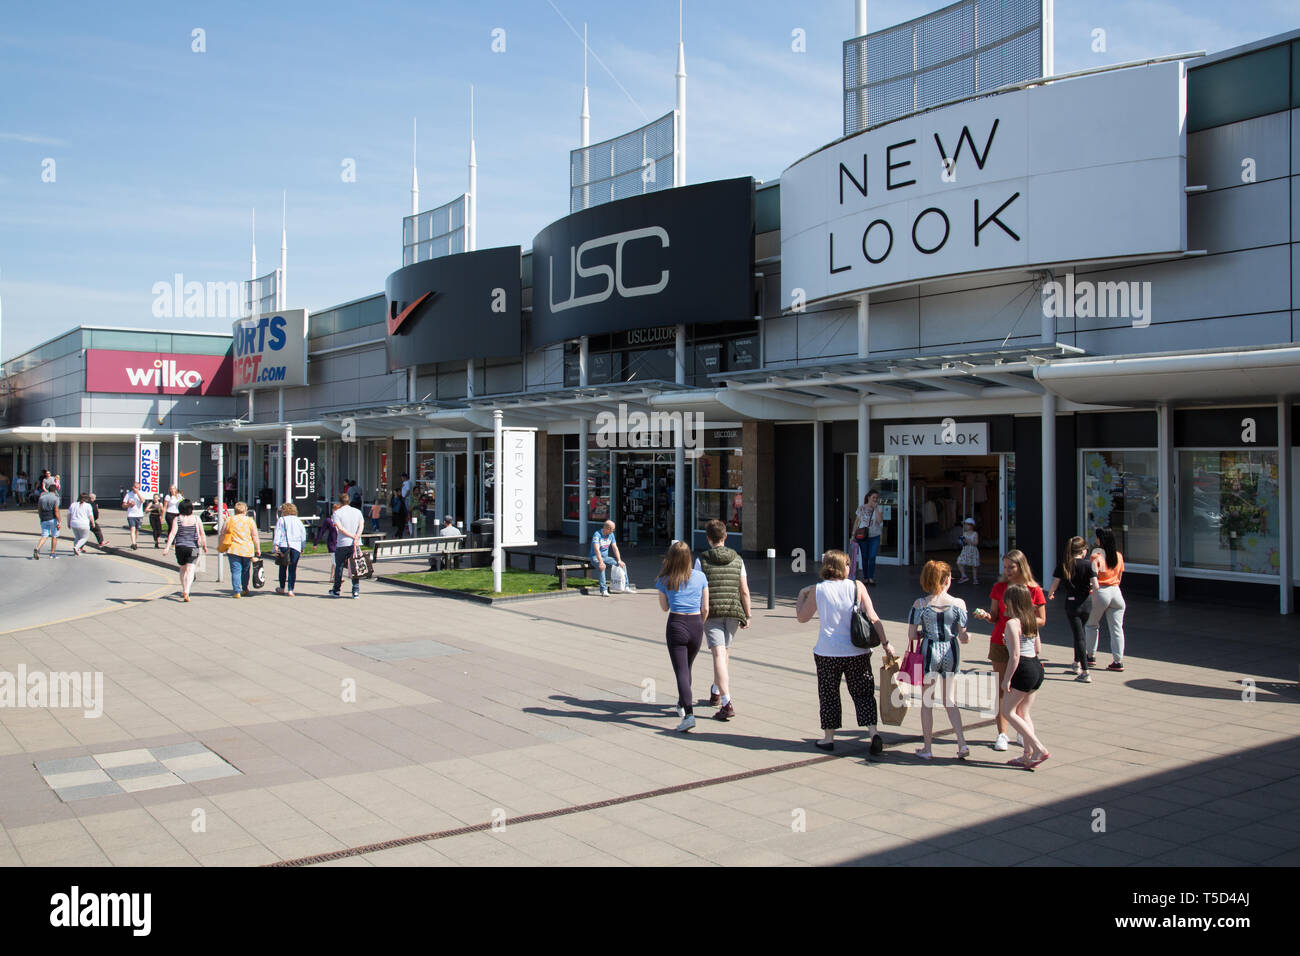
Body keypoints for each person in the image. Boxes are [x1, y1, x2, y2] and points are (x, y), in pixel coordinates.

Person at [795, 549, 896, 753]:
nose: (850, 567)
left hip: (827, 652)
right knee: (864, 693)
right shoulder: (856, 586)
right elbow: (874, 617)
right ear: (842, 567)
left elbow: (802, 617)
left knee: (829, 694)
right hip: (857, 651)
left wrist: (801, 594)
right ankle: (873, 732)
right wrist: (886, 643)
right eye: (848, 564)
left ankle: (829, 738)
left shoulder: (819, 590)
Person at [972, 549, 1045, 751]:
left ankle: (1022, 731)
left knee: (1022, 692)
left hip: (1023, 644)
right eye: (1004, 567)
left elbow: (1042, 619)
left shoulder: (1033, 589)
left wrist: (1020, 622)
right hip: (1000, 641)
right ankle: (1002, 734)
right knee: (1002, 689)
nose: (1007, 571)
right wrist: (986, 616)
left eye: (1011, 567)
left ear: (1021, 566)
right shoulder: (999, 587)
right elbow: (995, 616)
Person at [908, 560, 971, 759]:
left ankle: (927, 748)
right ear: (946, 580)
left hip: (929, 650)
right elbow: (963, 636)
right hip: (951, 650)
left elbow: (911, 634)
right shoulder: (958, 604)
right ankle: (961, 743)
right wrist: (964, 637)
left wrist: (925, 633)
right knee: (949, 699)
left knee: (927, 701)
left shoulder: (920, 604)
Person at [693, 518, 750, 721]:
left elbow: (698, 588)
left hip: (712, 611)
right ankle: (716, 690)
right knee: (724, 652)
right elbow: (744, 590)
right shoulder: (738, 559)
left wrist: (698, 613)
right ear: (725, 537)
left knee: (718, 654)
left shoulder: (702, 559)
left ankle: (726, 702)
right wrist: (748, 614)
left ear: (709, 539)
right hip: (733, 611)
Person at [655, 540, 709, 733]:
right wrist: (700, 623)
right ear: (689, 558)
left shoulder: (664, 579)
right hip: (696, 624)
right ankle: (681, 703)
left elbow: (664, 607)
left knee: (681, 671)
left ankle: (688, 714)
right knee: (687, 667)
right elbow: (706, 608)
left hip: (676, 624)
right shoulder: (701, 577)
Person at [1000, 584, 1050, 769]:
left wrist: (1007, 679)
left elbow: (1014, 655)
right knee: (1024, 712)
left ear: (1012, 602)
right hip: (1036, 667)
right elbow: (1038, 648)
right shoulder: (1031, 620)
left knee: (1008, 711)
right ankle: (1027, 754)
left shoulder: (1012, 623)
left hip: (1023, 668)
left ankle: (1038, 748)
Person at [1049, 536, 1098, 682]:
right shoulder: (1089, 565)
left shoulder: (1064, 565)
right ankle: (1077, 663)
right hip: (1087, 603)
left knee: (1079, 635)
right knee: (1080, 633)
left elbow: (1055, 583)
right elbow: (1096, 586)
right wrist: (1088, 589)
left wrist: (1051, 593)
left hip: (1071, 604)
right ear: (1083, 551)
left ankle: (1085, 670)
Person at [1086, 528, 1127, 672]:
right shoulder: (1118, 556)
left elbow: (1092, 578)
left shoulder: (1096, 556)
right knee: (1116, 628)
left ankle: (1090, 656)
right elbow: (1120, 578)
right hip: (1116, 592)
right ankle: (1118, 661)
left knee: (1092, 625)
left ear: (1099, 540)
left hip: (1101, 591)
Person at [165, 499, 207, 601]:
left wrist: (167, 547)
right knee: (191, 569)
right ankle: (187, 591)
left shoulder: (177, 519)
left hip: (180, 547)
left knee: (183, 568)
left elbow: (172, 533)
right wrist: (204, 545)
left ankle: (184, 588)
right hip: (194, 548)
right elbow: (202, 533)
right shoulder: (196, 519)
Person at [330, 491, 365, 599]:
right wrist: (356, 537)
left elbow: (340, 528)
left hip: (342, 543)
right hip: (356, 543)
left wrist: (351, 536)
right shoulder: (357, 512)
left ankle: (336, 590)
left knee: (339, 567)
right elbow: (361, 525)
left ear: (340, 501)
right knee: (355, 566)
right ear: (349, 501)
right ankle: (355, 591)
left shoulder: (337, 513)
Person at [222, 501, 260, 598]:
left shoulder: (229, 520)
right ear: (245, 510)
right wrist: (258, 549)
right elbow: (255, 536)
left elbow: (223, 533)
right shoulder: (250, 520)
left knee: (235, 570)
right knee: (246, 570)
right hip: (247, 549)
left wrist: (222, 545)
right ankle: (245, 588)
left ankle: (236, 591)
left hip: (233, 548)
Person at [272, 502, 308, 596]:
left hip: (284, 545)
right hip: (296, 546)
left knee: (283, 567)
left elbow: (278, 533)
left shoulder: (282, 520)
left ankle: (282, 587)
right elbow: (303, 533)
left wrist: (276, 545)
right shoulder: (298, 520)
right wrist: (302, 546)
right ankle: (291, 589)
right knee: (293, 568)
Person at [850, 490, 884, 584]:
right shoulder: (861, 508)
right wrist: (853, 535)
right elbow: (857, 521)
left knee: (872, 556)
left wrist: (876, 509)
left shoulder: (879, 508)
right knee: (864, 556)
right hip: (863, 536)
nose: (875, 499)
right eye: (873, 497)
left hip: (875, 536)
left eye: (876, 498)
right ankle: (865, 577)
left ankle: (871, 577)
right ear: (868, 497)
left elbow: (880, 521)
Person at [590, 520, 626, 596]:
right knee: (602, 567)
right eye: (612, 529)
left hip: (606, 557)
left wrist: (619, 560)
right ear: (607, 528)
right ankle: (604, 590)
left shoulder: (611, 535)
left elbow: (615, 548)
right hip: (596, 557)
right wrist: (601, 562)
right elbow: (596, 549)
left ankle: (626, 586)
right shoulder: (597, 534)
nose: (613, 531)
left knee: (621, 565)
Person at [33, 480, 61, 560]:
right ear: (55, 490)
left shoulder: (42, 497)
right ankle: (52, 553)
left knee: (44, 535)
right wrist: (59, 520)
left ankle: (37, 549)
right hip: (52, 518)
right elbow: (56, 510)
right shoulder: (56, 498)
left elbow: (39, 509)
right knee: (54, 536)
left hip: (44, 518)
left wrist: (41, 517)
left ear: (48, 490)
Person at [956, 518, 980, 584]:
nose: (965, 526)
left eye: (967, 525)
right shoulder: (964, 533)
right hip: (965, 550)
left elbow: (976, 543)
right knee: (959, 561)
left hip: (972, 550)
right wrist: (961, 541)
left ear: (972, 526)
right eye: (965, 525)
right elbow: (963, 543)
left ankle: (975, 578)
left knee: (974, 565)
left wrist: (968, 541)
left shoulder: (975, 534)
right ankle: (963, 576)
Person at [122, 481, 145, 549]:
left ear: (139, 488)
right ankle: (133, 543)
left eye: (137, 487)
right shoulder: (128, 494)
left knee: (137, 530)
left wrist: (137, 493)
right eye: (135, 487)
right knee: (132, 529)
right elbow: (123, 505)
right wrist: (129, 504)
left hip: (139, 515)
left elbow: (143, 501)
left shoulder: (141, 493)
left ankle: (135, 541)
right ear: (132, 487)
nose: (135, 489)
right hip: (131, 515)